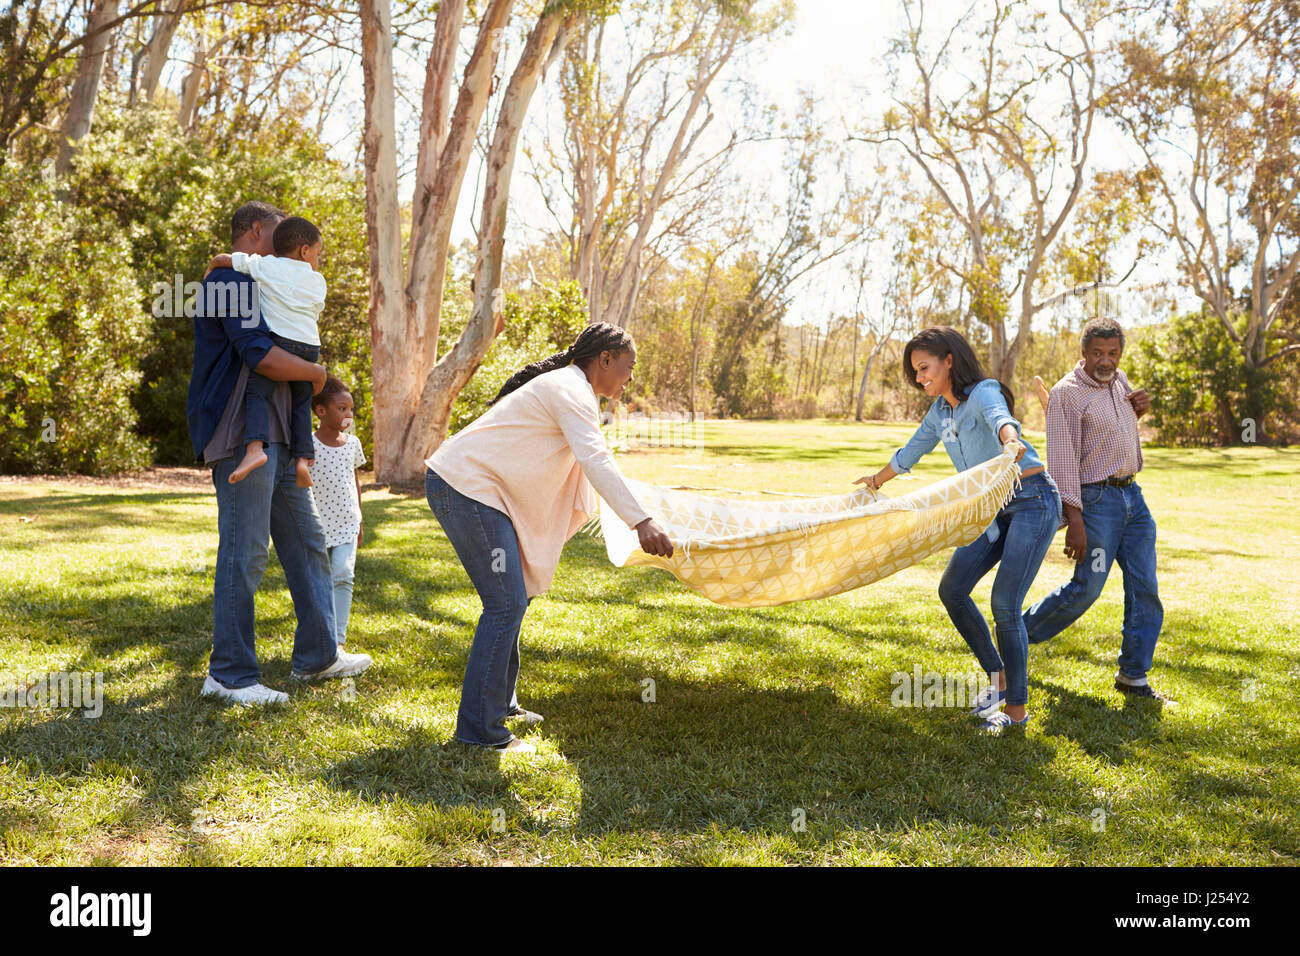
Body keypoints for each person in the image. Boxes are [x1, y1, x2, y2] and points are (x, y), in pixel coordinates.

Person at [425, 323, 674, 754]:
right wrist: (641, 521)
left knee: (513, 598)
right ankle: (479, 733)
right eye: (629, 367)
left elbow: (592, 459)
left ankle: (501, 705)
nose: (631, 378)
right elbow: (595, 459)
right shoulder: (569, 389)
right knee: (505, 604)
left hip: (482, 493)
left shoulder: (574, 390)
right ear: (606, 359)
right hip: (466, 489)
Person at [187, 201, 371, 706]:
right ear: (254, 232)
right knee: (246, 551)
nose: (284, 244)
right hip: (239, 431)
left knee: (309, 540)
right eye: (274, 233)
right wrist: (315, 375)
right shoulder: (228, 284)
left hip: (282, 436)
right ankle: (228, 675)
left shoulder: (266, 282)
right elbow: (259, 356)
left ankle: (318, 655)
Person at [856, 327, 1061, 734]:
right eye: (915, 372)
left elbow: (1002, 419)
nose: (920, 378)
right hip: (988, 510)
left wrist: (1011, 442)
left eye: (925, 367)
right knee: (952, 589)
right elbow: (911, 451)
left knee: (1005, 603)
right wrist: (875, 482)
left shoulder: (983, 391)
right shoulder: (940, 413)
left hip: (1031, 499)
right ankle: (999, 678)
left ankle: (1016, 714)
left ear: (949, 360)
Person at [1023, 317, 1167, 701]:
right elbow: (1064, 459)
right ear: (1084, 353)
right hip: (1097, 504)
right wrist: (1075, 519)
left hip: (1133, 501)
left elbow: (1112, 434)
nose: (1106, 360)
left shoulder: (1119, 381)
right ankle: (1013, 636)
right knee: (1088, 587)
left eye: (1113, 353)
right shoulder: (1066, 394)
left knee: (1145, 587)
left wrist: (1139, 409)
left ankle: (1133, 676)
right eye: (1098, 353)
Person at [204, 216, 327, 488]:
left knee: (257, 392)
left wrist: (213, 263)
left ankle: (254, 450)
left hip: (281, 344)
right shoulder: (317, 280)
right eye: (317, 254)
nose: (318, 260)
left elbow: (232, 260)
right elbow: (316, 307)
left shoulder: (267, 267)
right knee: (301, 403)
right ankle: (302, 460)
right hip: (310, 347)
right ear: (305, 251)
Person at [308, 377, 366, 645]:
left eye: (350, 409)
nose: (348, 414)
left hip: (347, 523)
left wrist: (360, 520)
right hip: (317, 525)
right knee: (318, 583)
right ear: (321, 411)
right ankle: (319, 634)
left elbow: (354, 481)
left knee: (343, 575)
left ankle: (338, 641)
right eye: (342, 409)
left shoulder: (353, 444)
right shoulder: (307, 445)